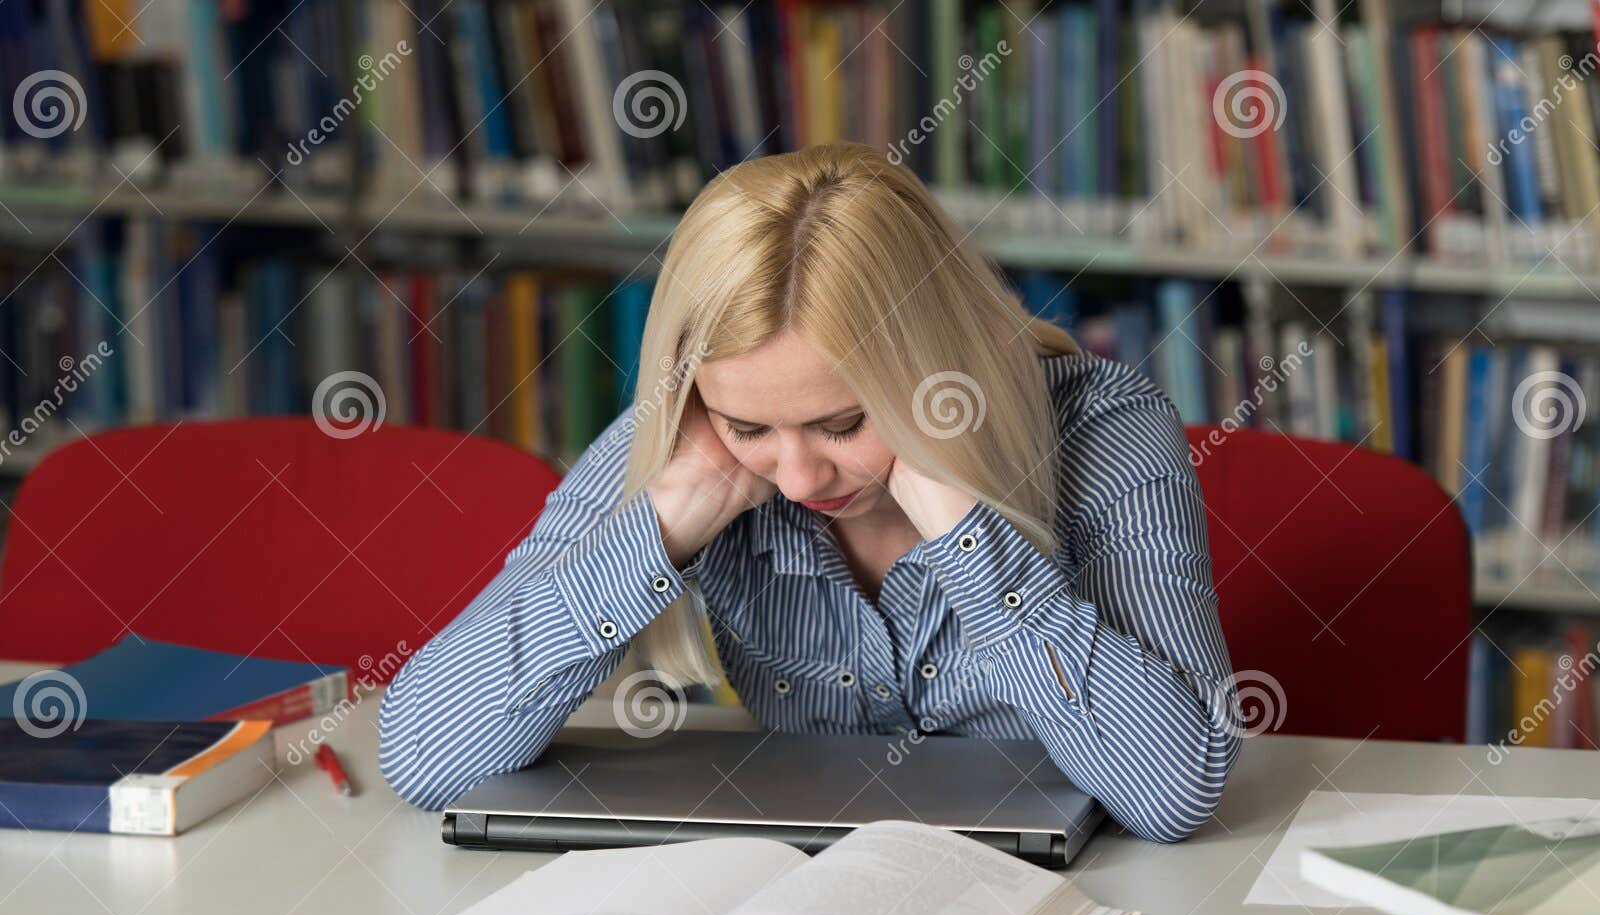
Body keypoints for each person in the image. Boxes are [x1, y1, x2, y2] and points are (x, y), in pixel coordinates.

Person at [378, 141, 1241, 842]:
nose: (796, 478)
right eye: (750, 428)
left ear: (938, 367)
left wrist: (965, 534)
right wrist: (665, 525)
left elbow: (1175, 789)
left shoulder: (1107, 427)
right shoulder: (691, 440)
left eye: (843, 422)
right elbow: (423, 753)